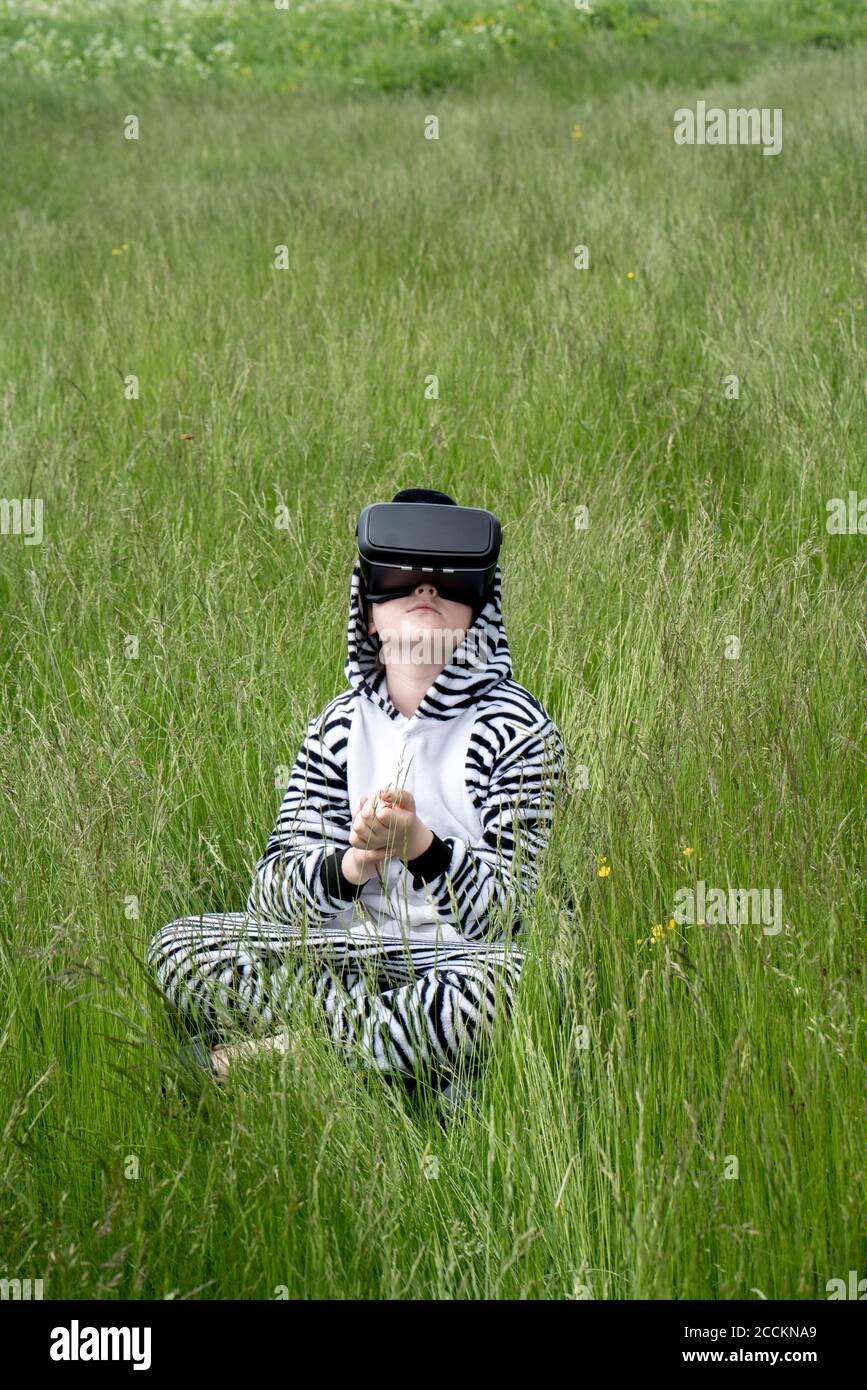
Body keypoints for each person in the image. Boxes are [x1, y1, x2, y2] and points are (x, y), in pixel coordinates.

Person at [146, 488, 566, 1105]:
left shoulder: (519, 729)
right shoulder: (337, 728)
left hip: (462, 961)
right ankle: (408, 1071)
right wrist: (349, 866)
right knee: (177, 950)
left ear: (479, 611)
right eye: (401, 578)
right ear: (370, 611)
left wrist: (424, 851)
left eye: (450, 582)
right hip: (348, 952)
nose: (426, 592)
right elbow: (271, 895)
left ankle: (280, 1055)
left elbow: (518, 915)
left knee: (528, 984)